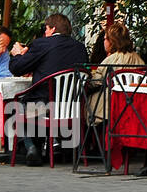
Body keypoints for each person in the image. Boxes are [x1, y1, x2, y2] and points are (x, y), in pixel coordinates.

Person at [9, 13, 89, 166]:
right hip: (72, 107)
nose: (45, 33)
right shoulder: (80, 48)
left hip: (43, 106)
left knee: (16, 106)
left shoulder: (42, 44)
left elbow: (17, 68)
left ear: (51, 29)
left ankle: (31, 146)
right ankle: (49, 147)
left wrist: (18, 55)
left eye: (46, 29)